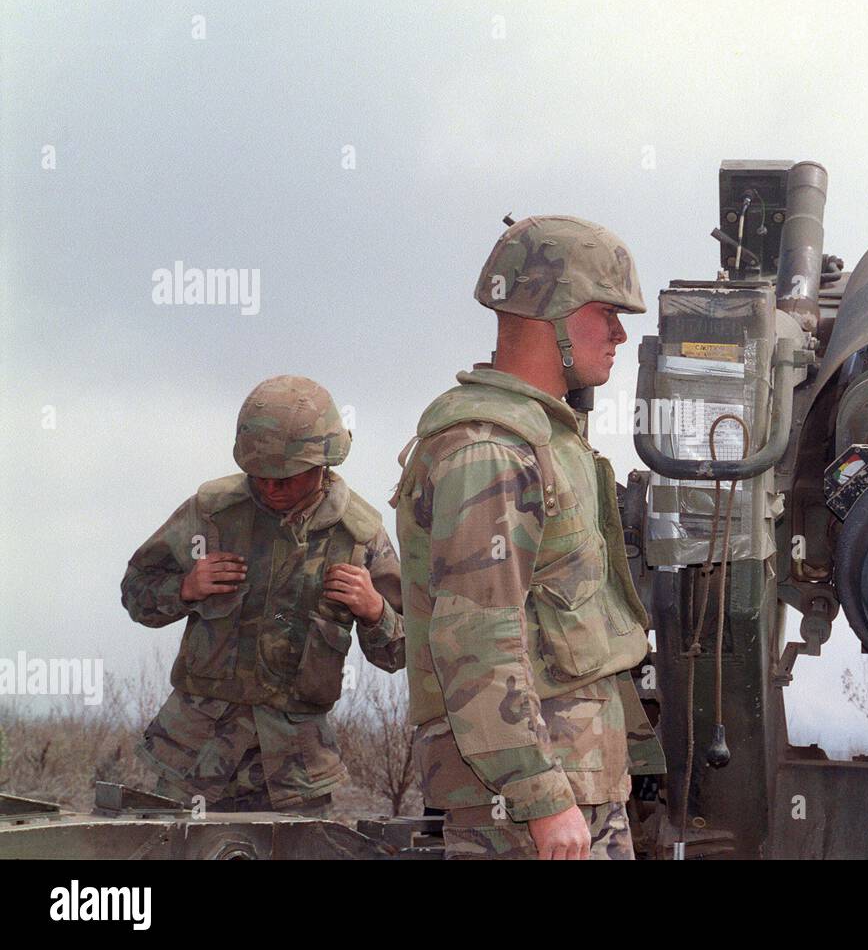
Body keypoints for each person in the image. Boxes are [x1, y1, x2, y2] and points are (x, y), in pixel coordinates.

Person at [392, 215, 665, 859]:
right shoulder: (488, 450)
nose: (622, 334)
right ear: (556, 313)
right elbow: (476, 640)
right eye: (607, 313)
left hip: (574, 784)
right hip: (521, 805)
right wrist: (541, 798)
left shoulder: (547, 439)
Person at [121, 375, 404, 812]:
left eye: (286, 477)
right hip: (193, 759)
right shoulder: (211, 514)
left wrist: (374, 610)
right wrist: (184, 588)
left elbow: (399, 652)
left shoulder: (359, 537)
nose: (271, 487)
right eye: (261, 474)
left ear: (324, 465)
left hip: (295, 774)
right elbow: (136, 593)